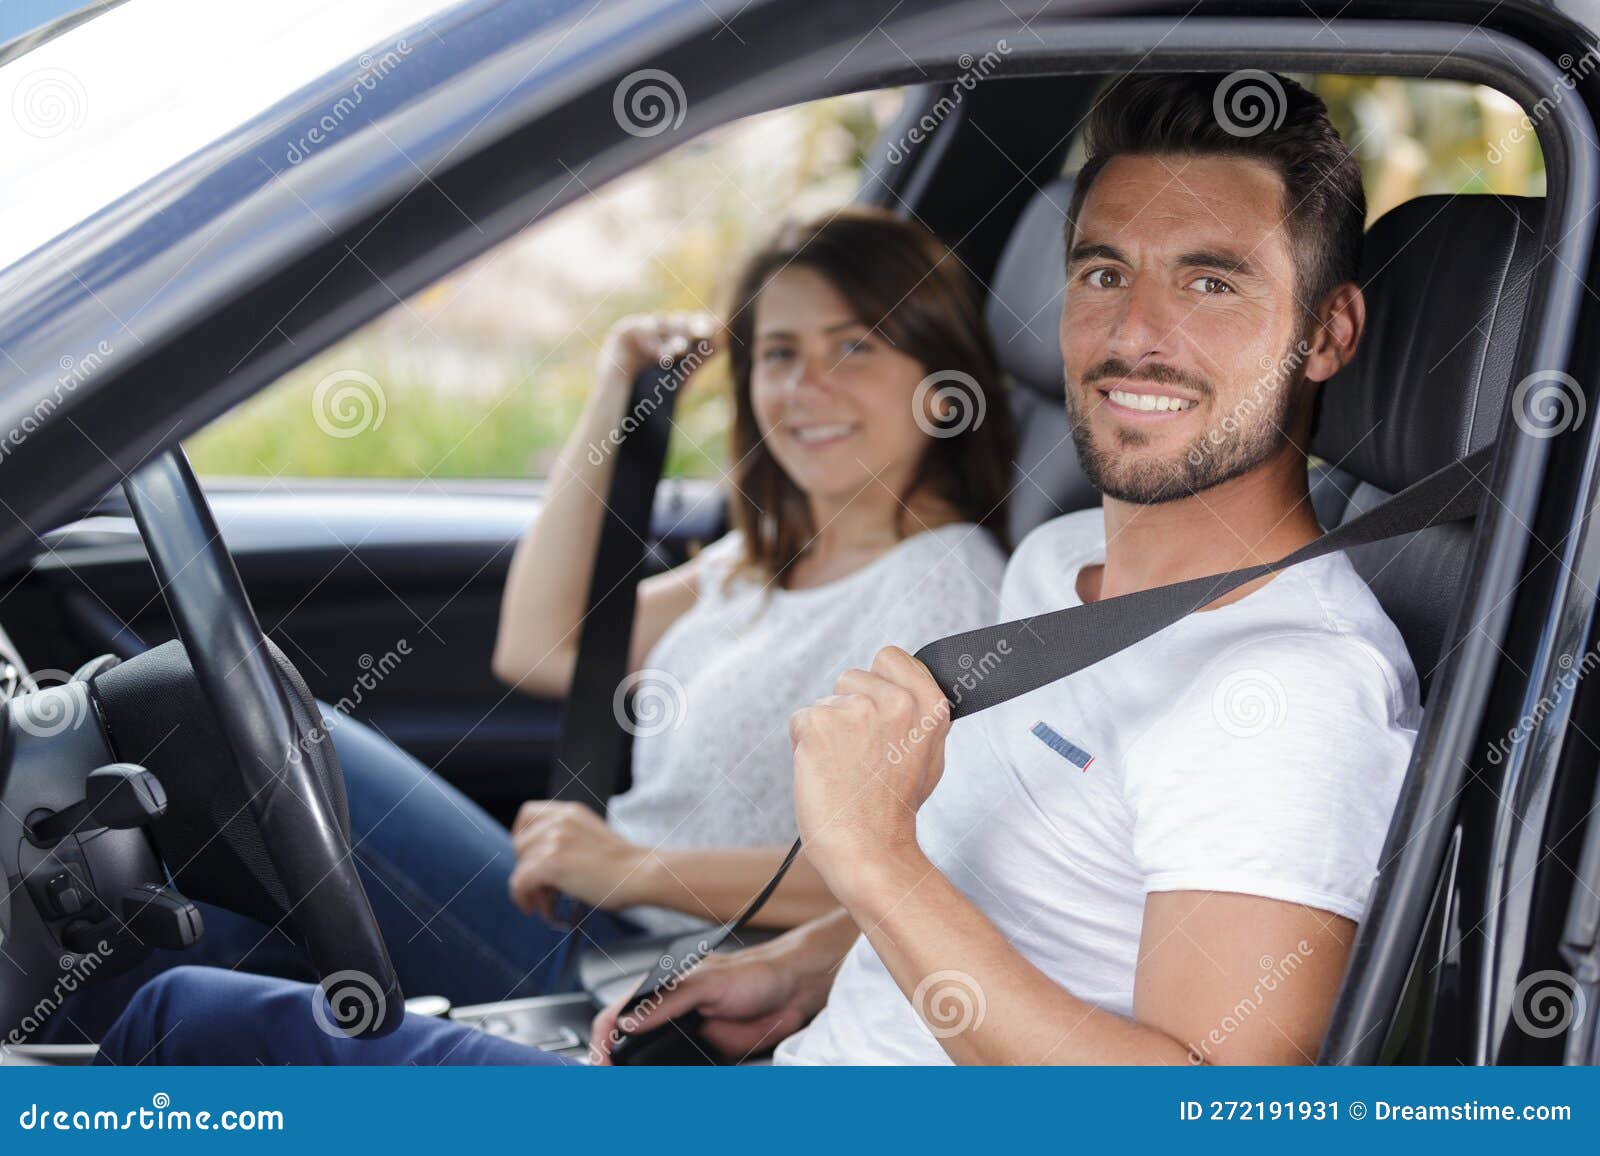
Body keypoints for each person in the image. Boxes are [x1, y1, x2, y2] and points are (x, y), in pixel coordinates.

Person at [100, 69, 1420, 1067]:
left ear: (1328, 332)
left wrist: (871, 863)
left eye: (1211, 282)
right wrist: (803, 964)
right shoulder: (1059, 561)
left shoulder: (1288, 692)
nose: (1134, 332)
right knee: (186, 982)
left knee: (179, 1024)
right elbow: (998, 894)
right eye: (1102, 271)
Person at [44, 206, 1016, 1045]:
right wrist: (616, 388)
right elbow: (543, 646)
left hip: (669, 966)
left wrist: (631, 866)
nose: (807, 388)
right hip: (597, 916)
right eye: (778, 354)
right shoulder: (759, 560)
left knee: (260, 721)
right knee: (182, 953)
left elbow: (936, 876)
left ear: (939, 375)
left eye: (855, 346)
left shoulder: (945, 583)